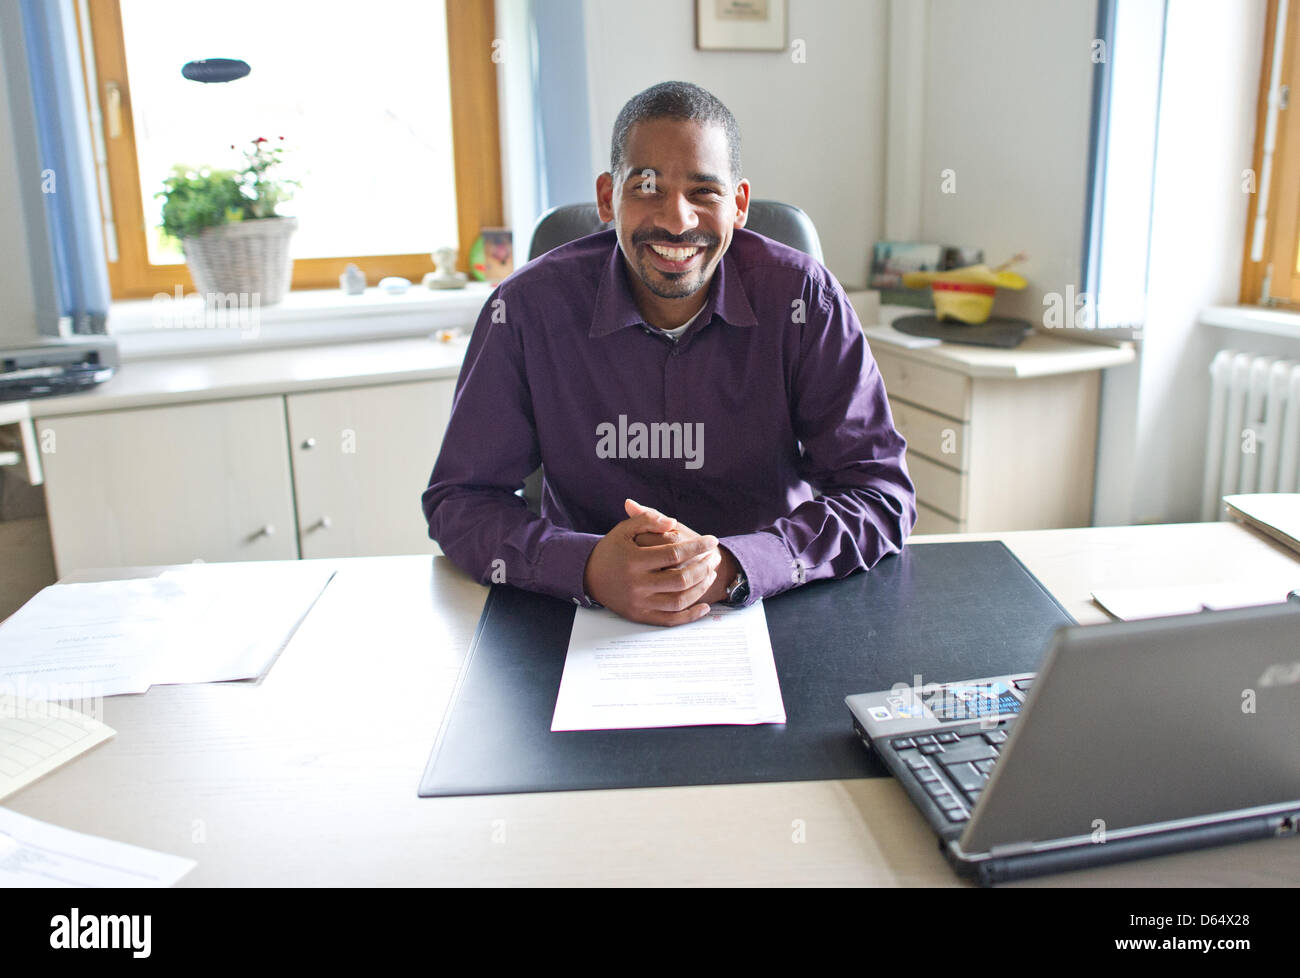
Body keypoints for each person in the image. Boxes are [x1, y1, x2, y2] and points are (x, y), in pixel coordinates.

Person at [423, 80, 915, 626]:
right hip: (582, 614)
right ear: (608, 199)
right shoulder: (525, 309)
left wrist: (733, 565)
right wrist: (586, 567)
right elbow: (460, 501)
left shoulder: (804, 299)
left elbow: (879, 494)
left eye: (705, 192)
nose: (677, 220)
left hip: (771, 605)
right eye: (648, 187)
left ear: (739, 205)